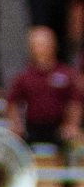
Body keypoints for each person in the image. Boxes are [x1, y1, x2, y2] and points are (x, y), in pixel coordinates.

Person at [5, 28, 81, 156]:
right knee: (12, 143)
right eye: (37, 45)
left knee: (73, 142)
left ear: (53, 45)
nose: (41, 49)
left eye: (44, 44)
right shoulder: (24, 76)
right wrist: (16, 125)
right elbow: (11, 101)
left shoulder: (66, 74)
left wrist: (72, 125)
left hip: (58, 128)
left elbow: (75, 102)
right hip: (32, 128)